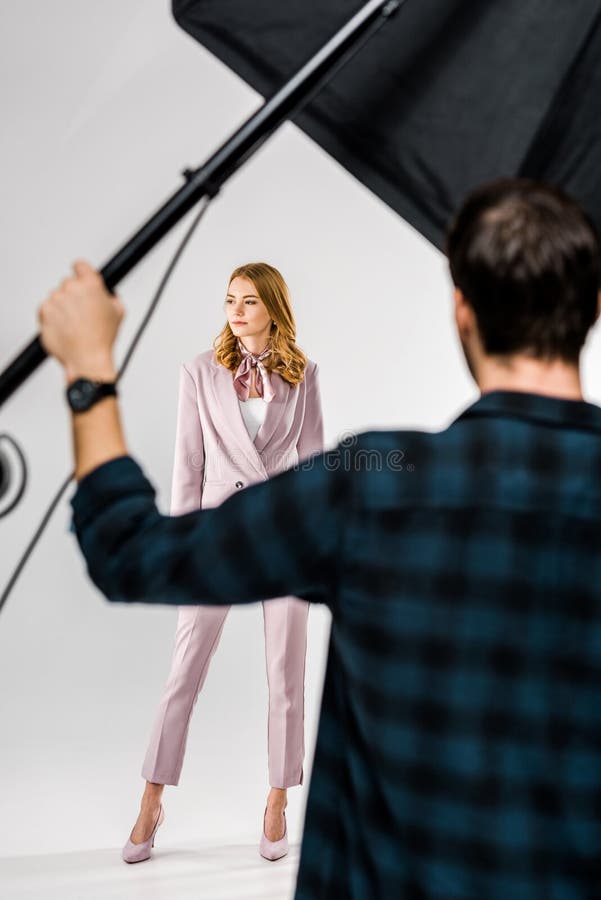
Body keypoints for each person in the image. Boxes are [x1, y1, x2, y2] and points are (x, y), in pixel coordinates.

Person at [39, 179, 601, 899]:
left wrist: (89, 372)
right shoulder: (360, 473)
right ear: (590, 305)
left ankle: (272, 799)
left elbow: (128, 551)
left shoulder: (372, 480)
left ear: (460, 307)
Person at [120, 263, 323, 863]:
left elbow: (313, 466)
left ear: (273, 310)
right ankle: (151, 800)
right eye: (230, 300)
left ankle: (278, 799)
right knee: (183, 672)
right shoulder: (200, 373)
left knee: (286, 674)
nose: (236, 311)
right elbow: (188, 465)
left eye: (250, 302)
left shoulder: (304, 374)